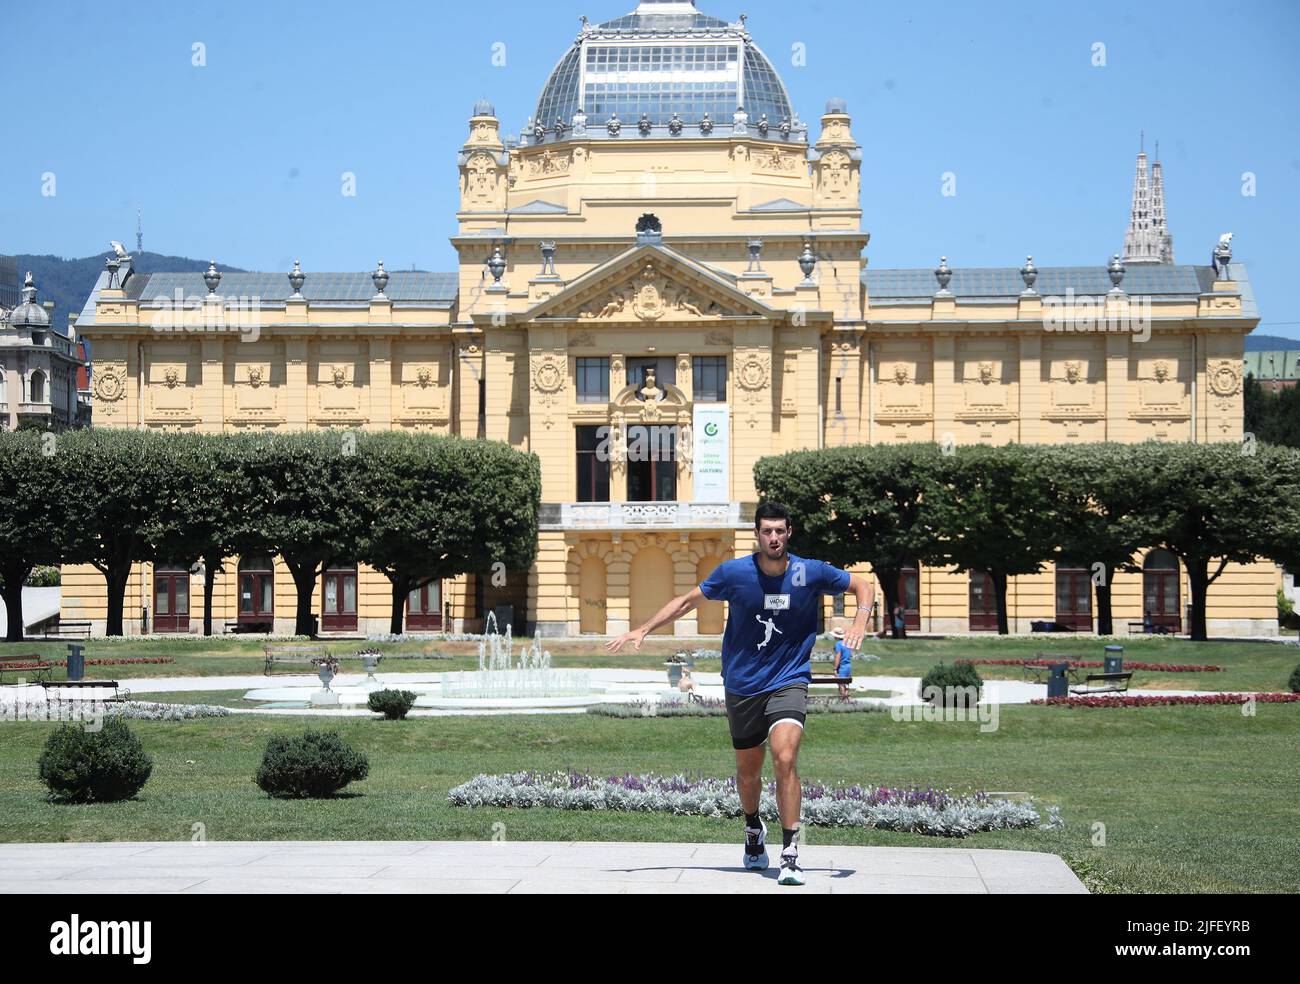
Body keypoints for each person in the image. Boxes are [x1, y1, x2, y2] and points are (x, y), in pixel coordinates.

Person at [606, 500, 875, 886]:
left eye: (780, 530)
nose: (774, 537)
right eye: (767, 531)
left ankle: (791, 852)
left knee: (785, 757)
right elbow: (686, 602)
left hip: (789, 680)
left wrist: (860, 620)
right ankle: (753, 828)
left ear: (789, 533)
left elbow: (861, 585)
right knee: (749, 774)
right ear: (757, 534)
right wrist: (644, 629)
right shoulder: (734, 574)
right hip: (743, 685)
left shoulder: (808, 572)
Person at [831, 627, 854, 699]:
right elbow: (851, 654)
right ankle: (846, 699)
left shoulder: (838, 644)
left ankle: (842, 699)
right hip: (848, 665)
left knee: (841, 684)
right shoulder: (848, 643)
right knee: (846, 684)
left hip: (842, 667)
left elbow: (838, 656)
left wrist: (835, 668)